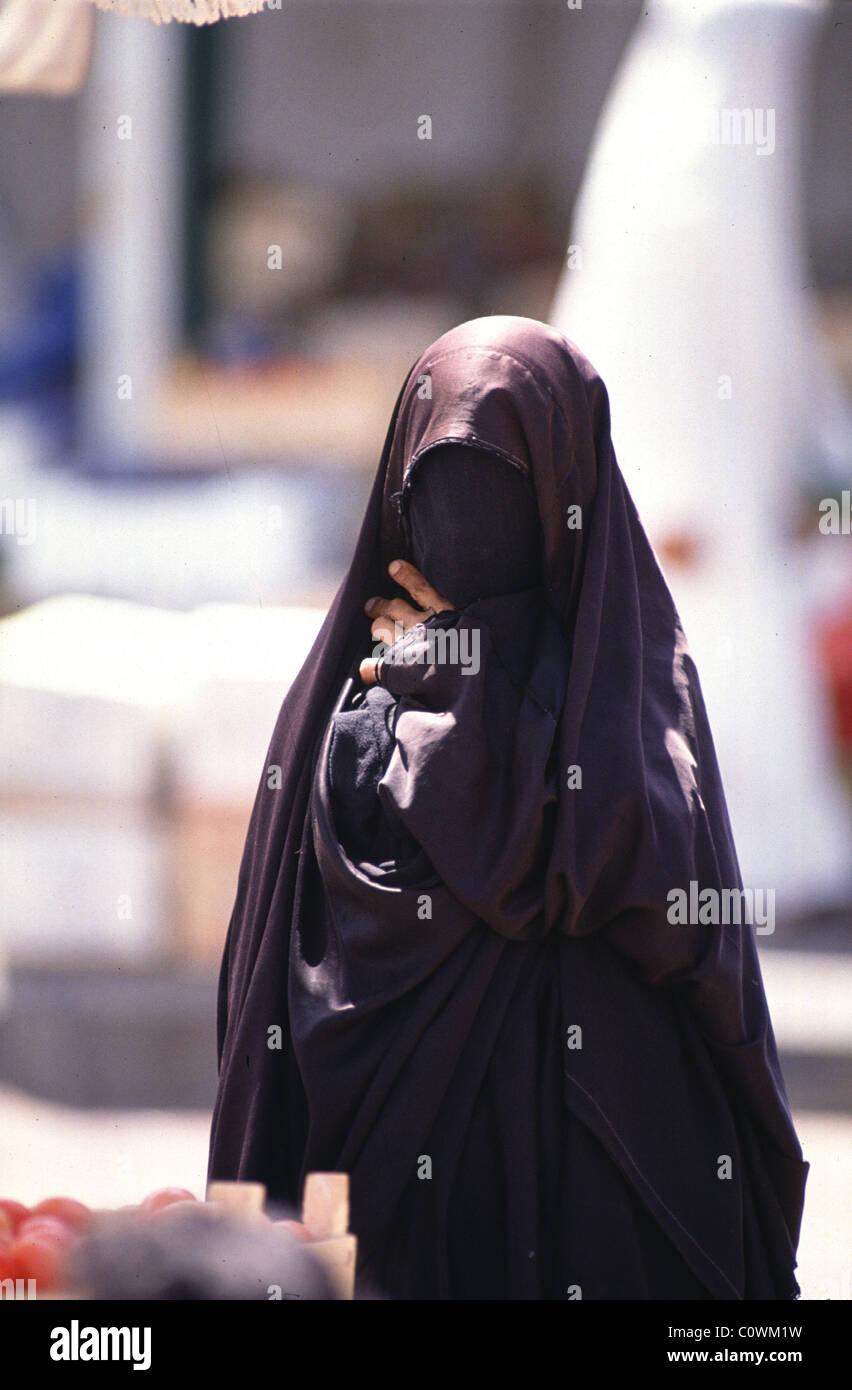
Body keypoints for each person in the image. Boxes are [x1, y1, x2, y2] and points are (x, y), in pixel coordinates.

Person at [208, 315, 808, 1300]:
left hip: (481, 1229)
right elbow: (665, 918)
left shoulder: (366, 718)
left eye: (497, 495)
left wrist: (455, 688)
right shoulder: (628, 706)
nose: (467, 527)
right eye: (447, 495)